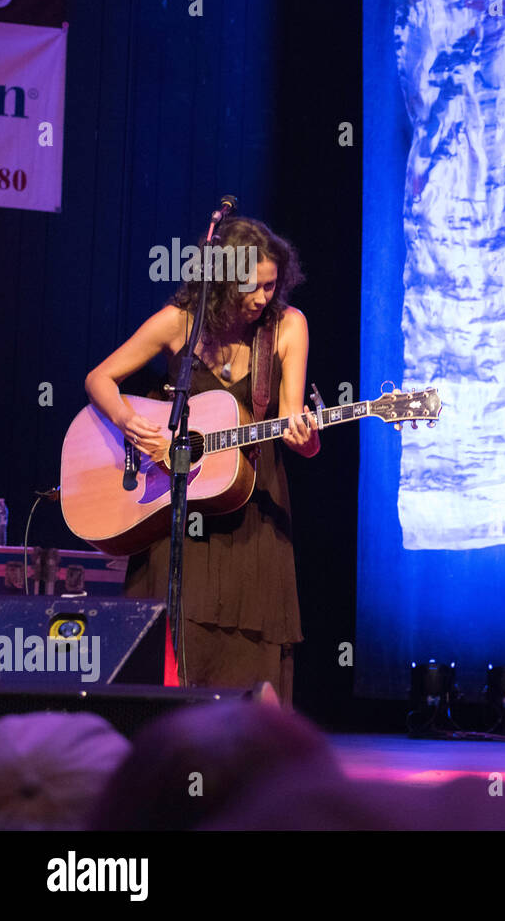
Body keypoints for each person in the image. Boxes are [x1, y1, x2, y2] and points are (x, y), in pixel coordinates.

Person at [84, 217, 319, 702]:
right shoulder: (181, 323)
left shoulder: (288, 326)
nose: (261, 298)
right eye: (250, 287)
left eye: (271, 285)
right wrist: (131, 424)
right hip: (179, 507)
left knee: (250, 671)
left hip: (252, 506)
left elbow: (296, 429)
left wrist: (306, 437)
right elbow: (99, 379)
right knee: (171, 657)